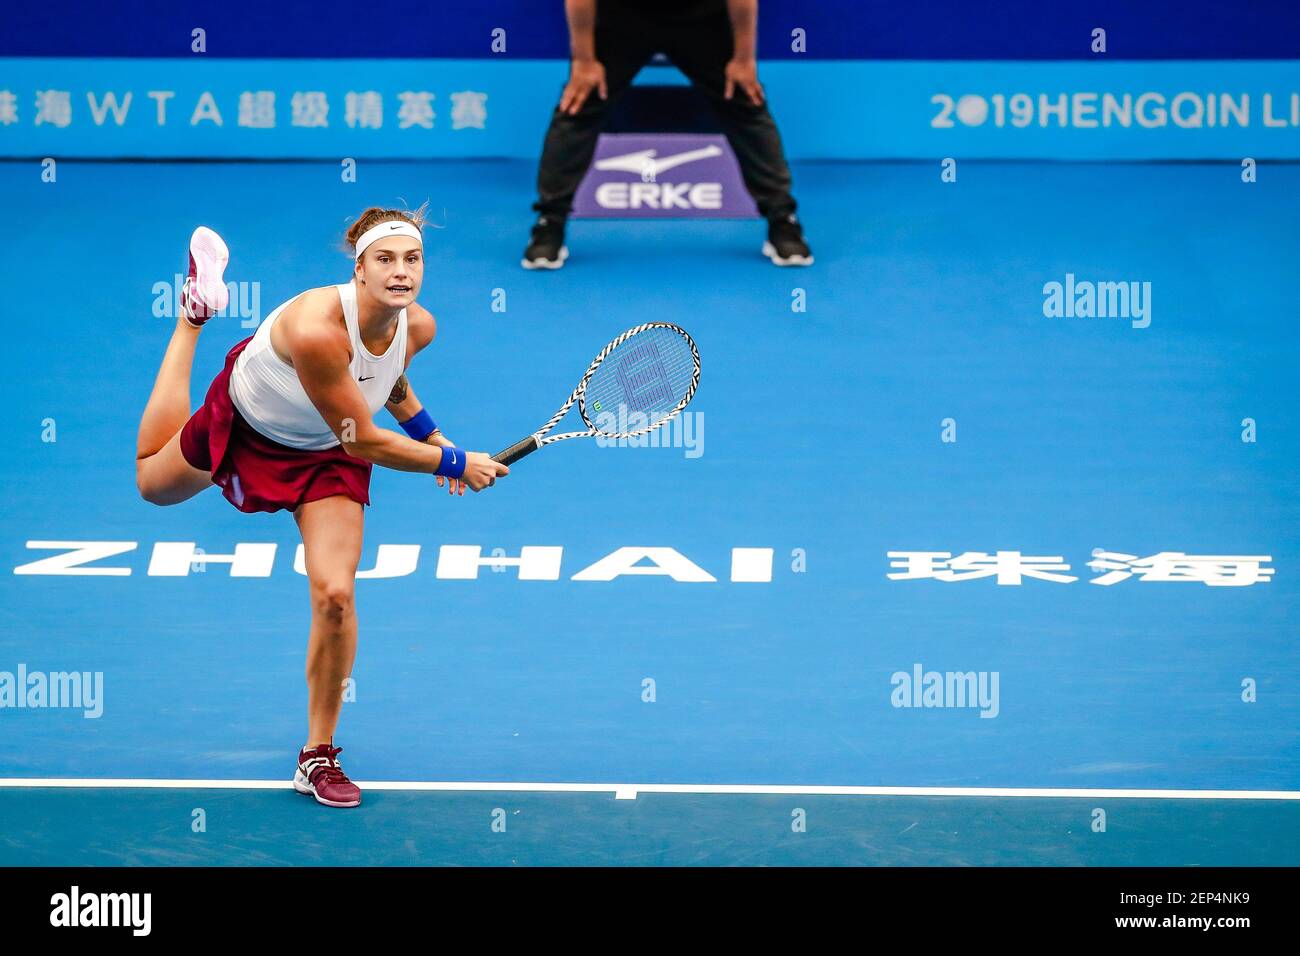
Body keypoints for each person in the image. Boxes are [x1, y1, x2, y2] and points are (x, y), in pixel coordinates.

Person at [134, 210, 509, 808]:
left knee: (335, 594)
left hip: (326, 454)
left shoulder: (419, 328)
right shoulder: (316, 328)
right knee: (152, 482)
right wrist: (456, 465)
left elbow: (387, 384)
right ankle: (193, 316)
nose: (401, 272)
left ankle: (318, 754)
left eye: (412, 260)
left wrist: (436, 437)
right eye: (385, 260)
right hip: (251, 428)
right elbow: (363, 435)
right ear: (358, 270)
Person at [523, 0, 812, 269]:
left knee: (744, 99)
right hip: (623, 16)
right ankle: (550, 221)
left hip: (702, 17)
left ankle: (782, 219)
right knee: (580, 103)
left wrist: (743, 60)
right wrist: (584, 61)